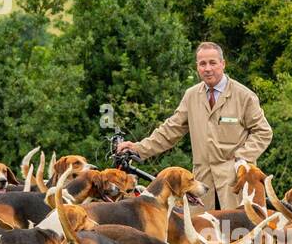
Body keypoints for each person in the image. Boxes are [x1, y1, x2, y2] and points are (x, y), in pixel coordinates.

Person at [115, 41, 273, 210]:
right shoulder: (191, 96)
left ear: (223, 64)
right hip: (202, 185)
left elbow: (263, 132)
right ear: (197, 67)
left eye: (213, 63)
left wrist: (241, 158)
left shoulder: (244, 96)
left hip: (234, 183)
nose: (208, 68)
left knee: (235, 232)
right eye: (202, 64)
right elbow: (170, 130)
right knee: (201, 233)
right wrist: (138, 149)